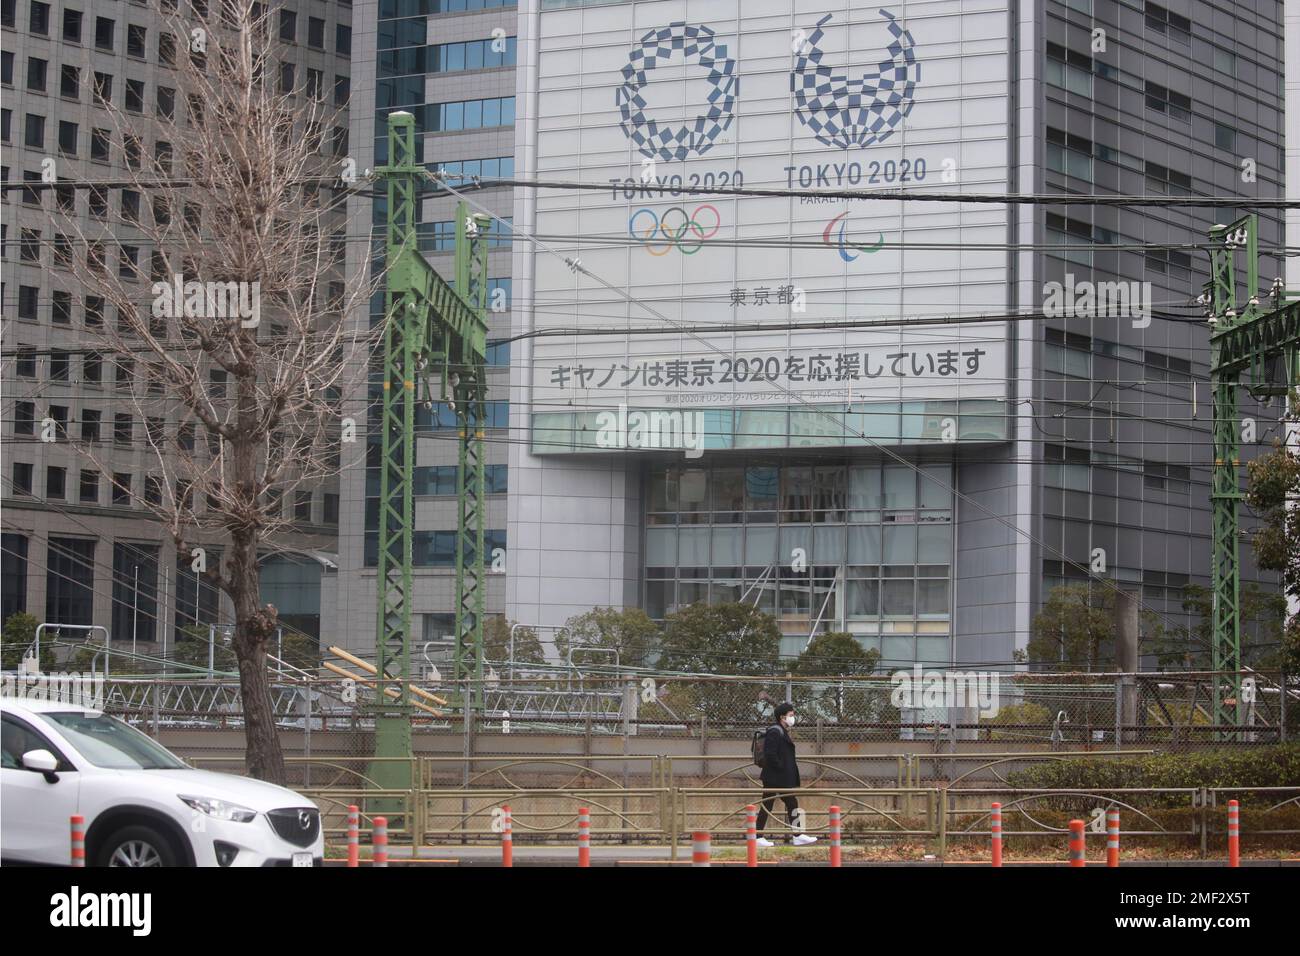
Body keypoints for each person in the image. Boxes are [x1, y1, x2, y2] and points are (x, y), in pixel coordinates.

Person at [756, 702, 817, 847]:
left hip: (777, 776)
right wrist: (782, 768)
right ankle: (796, 835)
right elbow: (770, 753)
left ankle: (759, 836)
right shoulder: (775, 731)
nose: (793, 717)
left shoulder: (780, 731)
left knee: (774, 804)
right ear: (782, 717)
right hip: (776, 777)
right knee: (774, 804)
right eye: (791, 715)